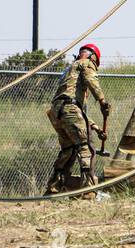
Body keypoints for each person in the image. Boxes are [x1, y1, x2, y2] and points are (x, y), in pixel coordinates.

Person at [45, 44, 110, 194]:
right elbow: (92, 82)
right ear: (92, 57)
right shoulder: (86, 63)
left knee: (68, 150)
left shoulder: (70, 71)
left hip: (57, 111)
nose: (94, 66)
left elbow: (77, 114)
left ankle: (53, 188)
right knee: (86, 148)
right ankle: (88, 191)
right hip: (69, 108)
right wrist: (103, 102)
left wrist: (96, 128)